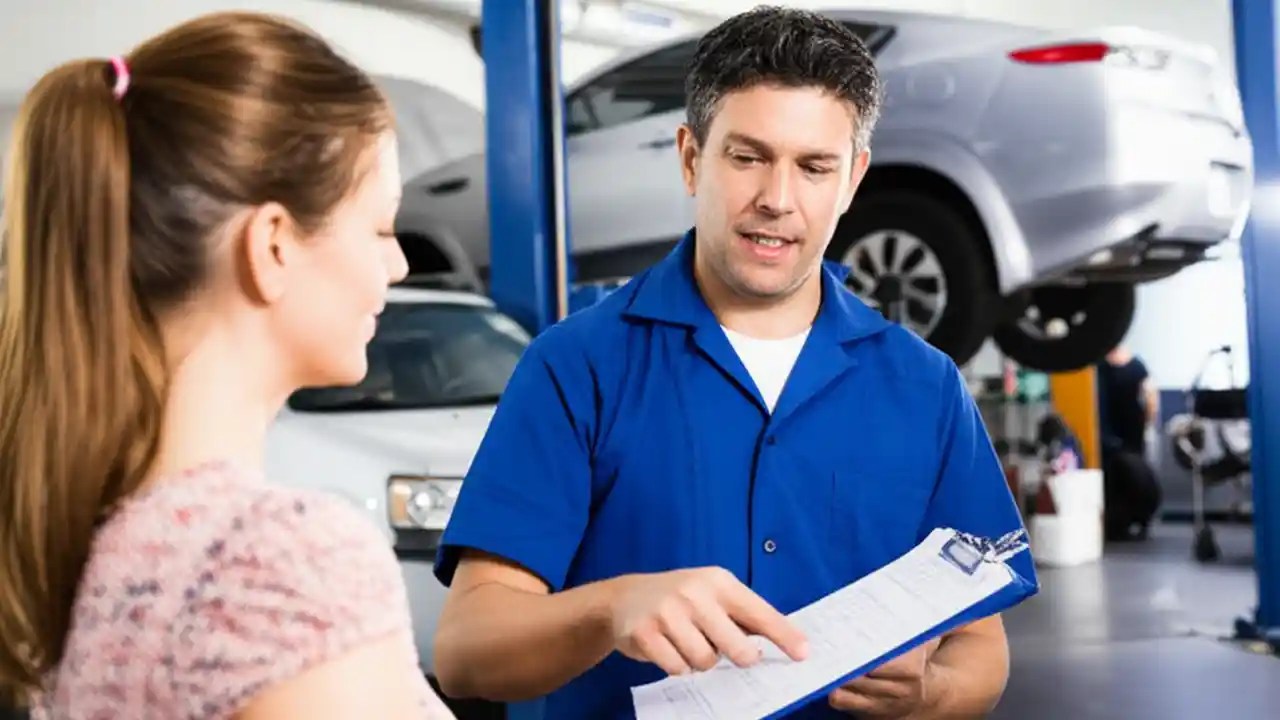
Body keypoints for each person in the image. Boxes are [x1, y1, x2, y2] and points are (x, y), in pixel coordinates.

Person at [431, 7, 1036, 719]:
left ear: (851, 180)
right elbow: (467, 649)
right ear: (691, 157)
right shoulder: (576, 368)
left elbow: (981, 652)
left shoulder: (925, 388)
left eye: (814, 167)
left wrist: (930, 693)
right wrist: (613, 607)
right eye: (748, 158)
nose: (777, 200)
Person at [0, 12, 455, 720]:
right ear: (272, 245)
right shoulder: (276, 562)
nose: (397, 265)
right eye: (380, 227)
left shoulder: (89, 553)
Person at [1096, 344, 1162, 540]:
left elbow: (1151, 398)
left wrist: (1147, 423)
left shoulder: (1134, 365)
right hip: (1114, 433)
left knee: (1132, 475)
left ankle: (1133, 519)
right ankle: (1124, 521)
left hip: (1129, 432)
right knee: (1119, 477)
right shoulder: (1103, 366)